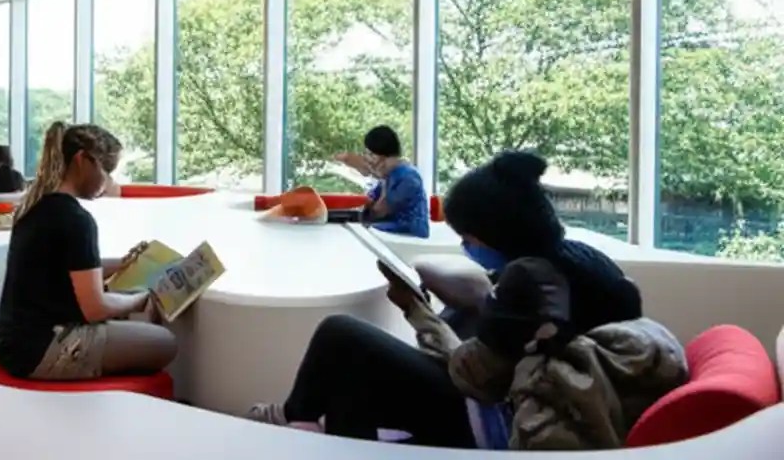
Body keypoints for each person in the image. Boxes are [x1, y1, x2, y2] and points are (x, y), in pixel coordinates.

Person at [247, 151, 645, 448]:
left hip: (505, 425)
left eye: (469, 239)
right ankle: (330, 433)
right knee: (364, 375)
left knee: (341, 335)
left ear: (494, 233)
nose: (467, 247)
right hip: (560, 404)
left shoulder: (527, 279)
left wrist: (416, 311)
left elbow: (473, 377)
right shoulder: (580, 259)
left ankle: (291, 418)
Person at [0, 122, 177, 380]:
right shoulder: (76, 219)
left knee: (126, 315)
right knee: (165, 342)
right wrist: (140, 298)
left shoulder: (34, 208)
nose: (109, 180)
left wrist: (122, 265)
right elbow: (95, 307)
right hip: (43, 349)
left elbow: (66, 268)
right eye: (107, 169)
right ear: (82, 160)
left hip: (11, 345)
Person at [334, 125, 428, 238]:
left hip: (408, 235)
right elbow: (368, 202)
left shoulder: (409, 178)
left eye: (371, 155)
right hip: (391, 233)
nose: (369, 160)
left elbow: (379, 212)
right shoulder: (390, 175)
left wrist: (379, 176)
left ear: (382, 156)